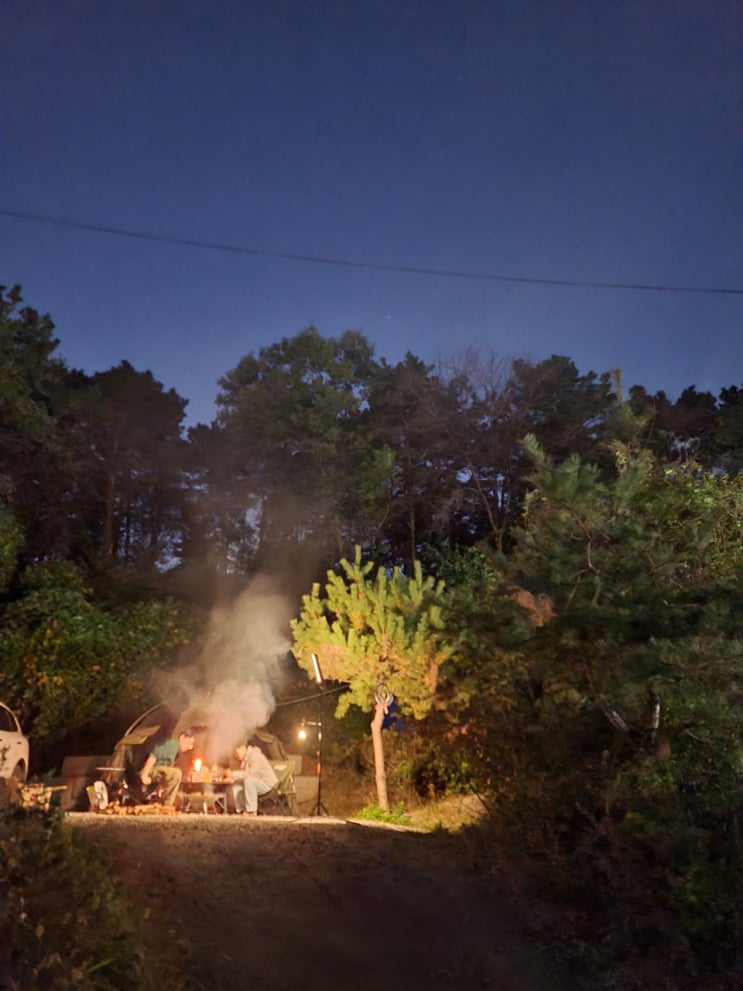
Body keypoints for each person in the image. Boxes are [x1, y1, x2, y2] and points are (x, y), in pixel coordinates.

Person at [140, 729, 195, 806]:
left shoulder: (176, 751)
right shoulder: (172, 744)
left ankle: (164, 804)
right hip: (149, 769)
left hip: (156, 771)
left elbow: (165, 772)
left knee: (174, 774)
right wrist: (144, 775)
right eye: (188, 743)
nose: (189, 746)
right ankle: (166, 805)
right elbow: (153, 756)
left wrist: (160, 787)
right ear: (182, 737)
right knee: (177, 773)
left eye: (191, 745)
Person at [228, 741, 278, 815]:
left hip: (267, 783)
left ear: (243, 748)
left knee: (249, 781)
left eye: (236, 753)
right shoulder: (245, 760)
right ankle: (242, 809)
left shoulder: (254, 755)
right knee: (236, 785)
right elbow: (242, 775)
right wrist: (232, 779)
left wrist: (232, 774)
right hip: (257, 782)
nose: (235, 756)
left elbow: (250, 774)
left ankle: (251, 810)